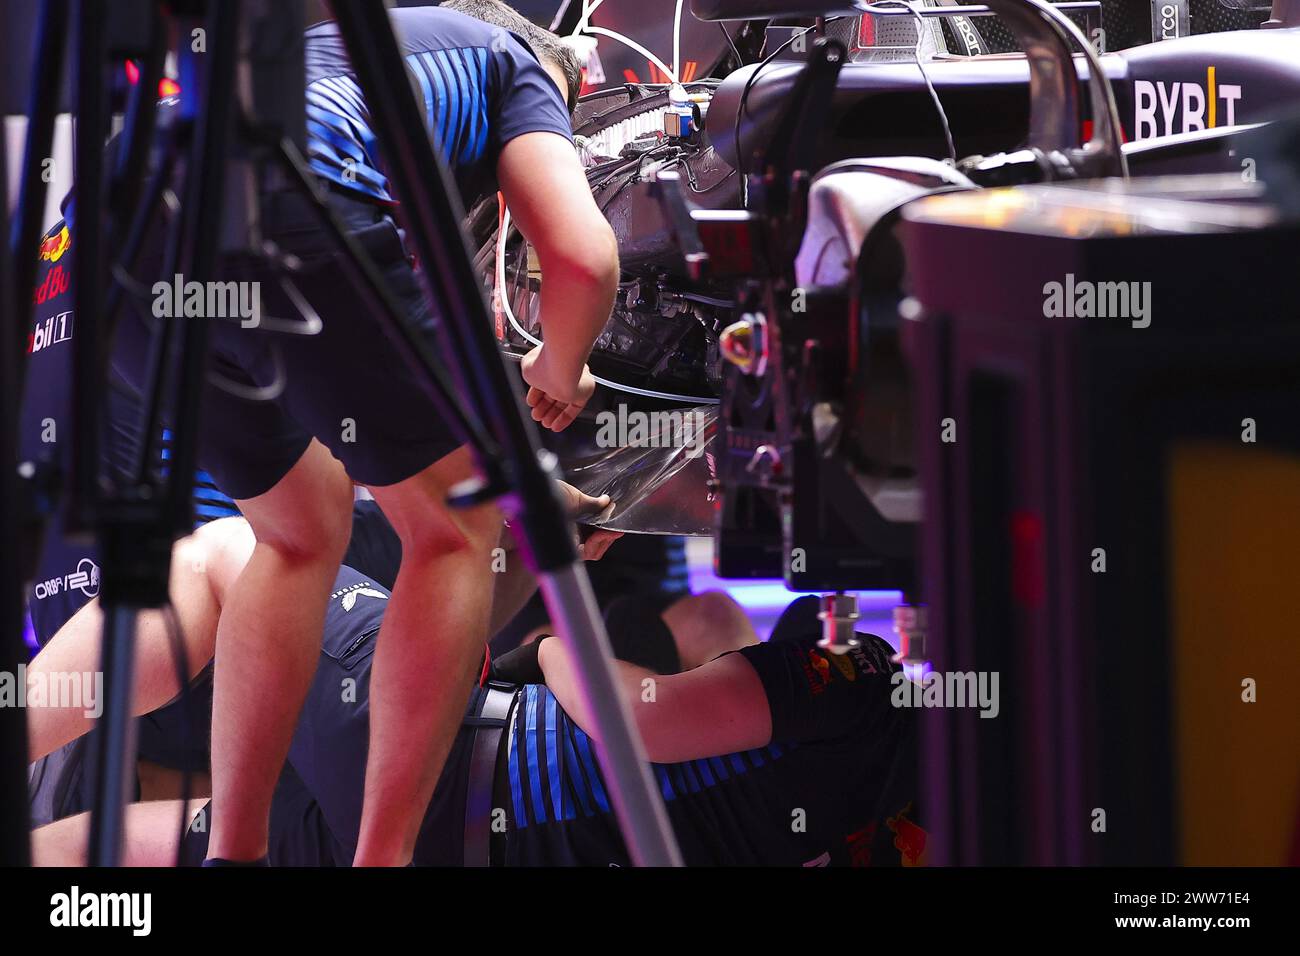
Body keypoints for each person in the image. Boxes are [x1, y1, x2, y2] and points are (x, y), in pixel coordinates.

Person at [102, 1, 618, 866]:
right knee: (455, 526)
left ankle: (237, 852)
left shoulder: (350, 61)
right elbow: (586, 258)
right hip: (278, 196)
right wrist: (562, 366)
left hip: (111, 224)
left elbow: (377, 376)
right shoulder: (517, 66)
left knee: (301, 526)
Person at [30, 508, 914, 867]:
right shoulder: (866, 831)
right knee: (116, 850)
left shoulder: (859, 683)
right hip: (458, 847)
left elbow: (645, 718)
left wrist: (550, 649)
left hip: (446, 761)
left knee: (230, 558)